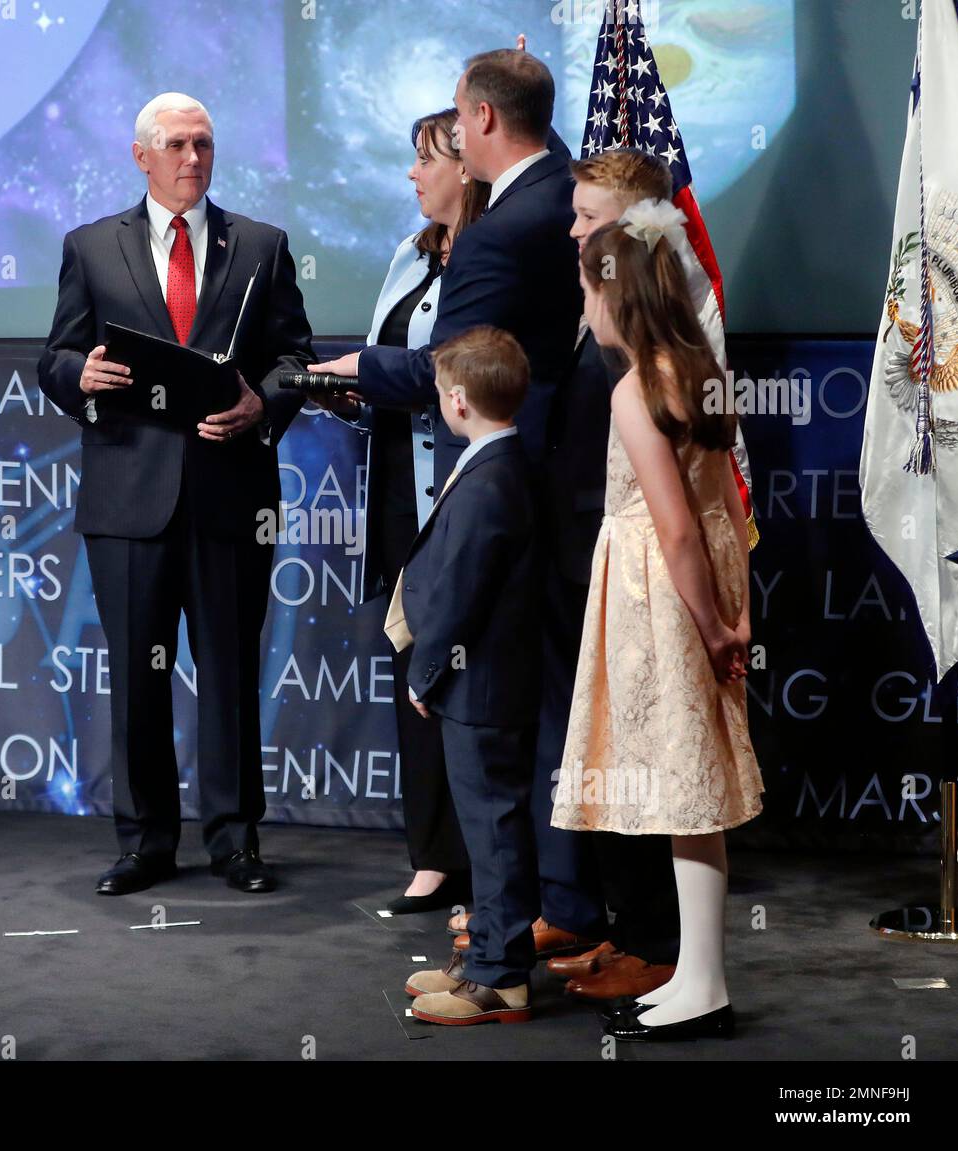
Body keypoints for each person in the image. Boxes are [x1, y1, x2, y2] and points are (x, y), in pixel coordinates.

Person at [313, 47, 607, 959]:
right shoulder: (565, 189)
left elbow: (459, 369)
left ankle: (522, 928)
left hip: (507, 496)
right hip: (570, 491)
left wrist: (356, 368)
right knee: (558, 701)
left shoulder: (493, 234)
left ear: (479, 121)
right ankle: (556, 904)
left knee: (507, 715)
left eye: (456, 115)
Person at [36, 92, 313, 896]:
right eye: (179, 145)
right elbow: (54, 357)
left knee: (228, 673)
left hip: (231, 498)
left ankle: (235, 841)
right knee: (136, 675)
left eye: (205, 144)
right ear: (142, 156)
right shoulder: (91, 248)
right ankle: (146, 842)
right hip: (129, 502)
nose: (195, 158)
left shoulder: (261, 244)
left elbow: (292, 357)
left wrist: (266, 402)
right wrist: (78, 377)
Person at [550, 207, 764, 1041]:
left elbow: (672, 523)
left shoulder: (636, 386)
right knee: (691, 790)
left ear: (613, 292)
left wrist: (711, 626)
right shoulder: (700, 367)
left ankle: (704, 985)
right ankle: (699, 977)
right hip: (708, 570)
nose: (582, 307)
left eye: (585, 288)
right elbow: (719, 508)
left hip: (661, 589)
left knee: (685, 785)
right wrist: (732, 605)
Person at [324, 108, 488, 914]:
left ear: (467, 165)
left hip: (464, 495)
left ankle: (486, 866)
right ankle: (431, 855)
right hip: (396, 494)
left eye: (425, 160)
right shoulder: (407, 254)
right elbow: (383, 375)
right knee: (411, 672)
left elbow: (443, 371)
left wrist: (367, 368)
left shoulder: (493, 258)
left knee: (469, 677)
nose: (414, 176)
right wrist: (342, 393)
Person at [539, 149, 686, 1004]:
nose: (573, 227)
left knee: (641, 755)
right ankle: (625, 929)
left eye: (587, 215)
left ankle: (658, 944)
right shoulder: (601, 297)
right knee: (605, 749)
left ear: (631, 225)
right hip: (587, 554)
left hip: (636, 564)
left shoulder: (659, 317)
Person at [390, 326, 540, 1025]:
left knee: (494, 829)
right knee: (489, 828)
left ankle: (500, 976)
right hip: (481, 683)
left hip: (477, 685)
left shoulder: (489, 480)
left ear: (455, 401)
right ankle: (485, 950)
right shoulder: (497, 463)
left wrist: (424, 674)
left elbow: (458, 594)